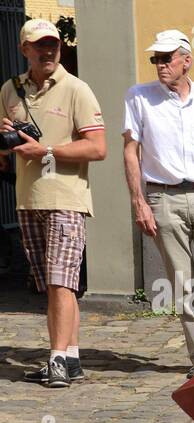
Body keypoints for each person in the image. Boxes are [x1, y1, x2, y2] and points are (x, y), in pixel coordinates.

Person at [123, 29, 194, 378]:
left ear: (186, 61)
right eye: (155, 59)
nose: (159, 64)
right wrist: (139, 202)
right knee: (182, 280)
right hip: (163, 196)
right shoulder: (139, 97)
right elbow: (131, 151)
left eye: (166, 58)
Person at [1, 19, 106, 388]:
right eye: (40, 45)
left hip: (66, 197)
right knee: (52, 284)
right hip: (28, 199)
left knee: (62, 283)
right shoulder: (10, 91)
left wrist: (44, 149)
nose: (48, 51)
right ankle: (72, 359)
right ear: (24, 49)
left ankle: (57, 359)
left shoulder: (77, 89)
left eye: (53, 45)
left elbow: (97, 147)